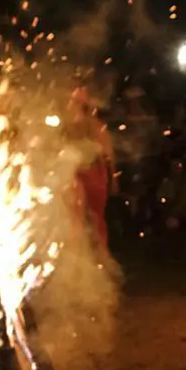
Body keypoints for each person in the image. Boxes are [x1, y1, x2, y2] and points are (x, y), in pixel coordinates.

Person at [68, 85, 117, 249]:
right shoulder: (72, 127)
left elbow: (108, 156)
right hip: (79, 176)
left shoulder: (96, 129)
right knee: (79, 221)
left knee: (91, 220)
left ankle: (97, 258)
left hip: (92, 176)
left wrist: (112, 178)